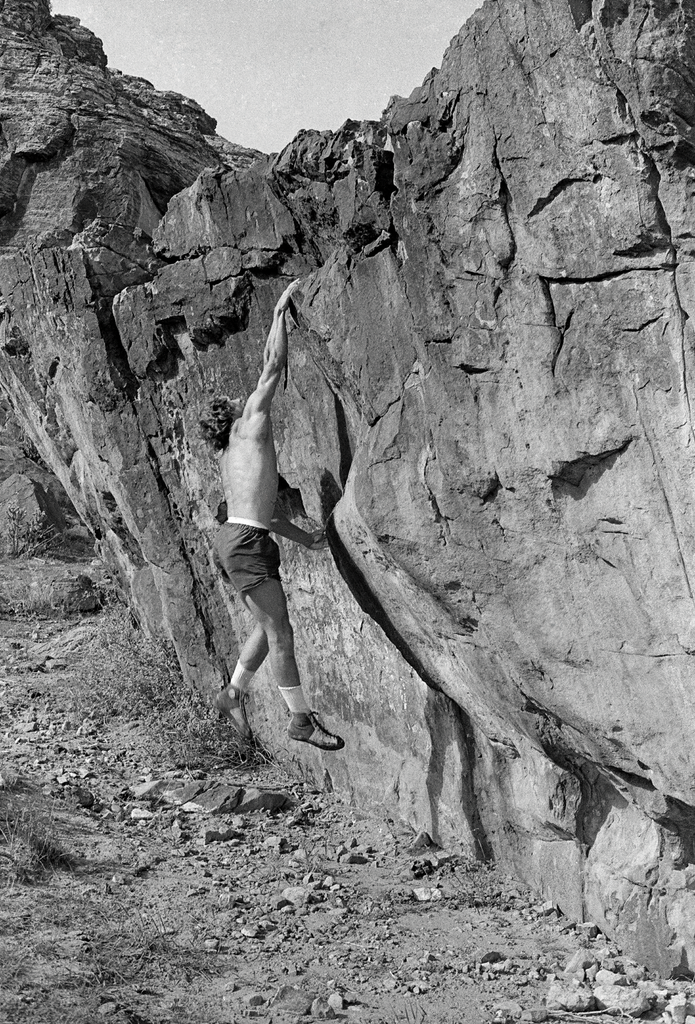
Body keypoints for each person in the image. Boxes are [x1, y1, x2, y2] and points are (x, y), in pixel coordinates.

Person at [199, 280, 345, 751]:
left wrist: (306, 540)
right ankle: (300, 720)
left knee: (267, 626)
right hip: (244, 541)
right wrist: (280, 310)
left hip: (241, 536)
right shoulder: (249, 428)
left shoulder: (232, 455)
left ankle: (233, 694)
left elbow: (264, 514)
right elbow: (273, 366)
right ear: (235, 415)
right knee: (282, 632)